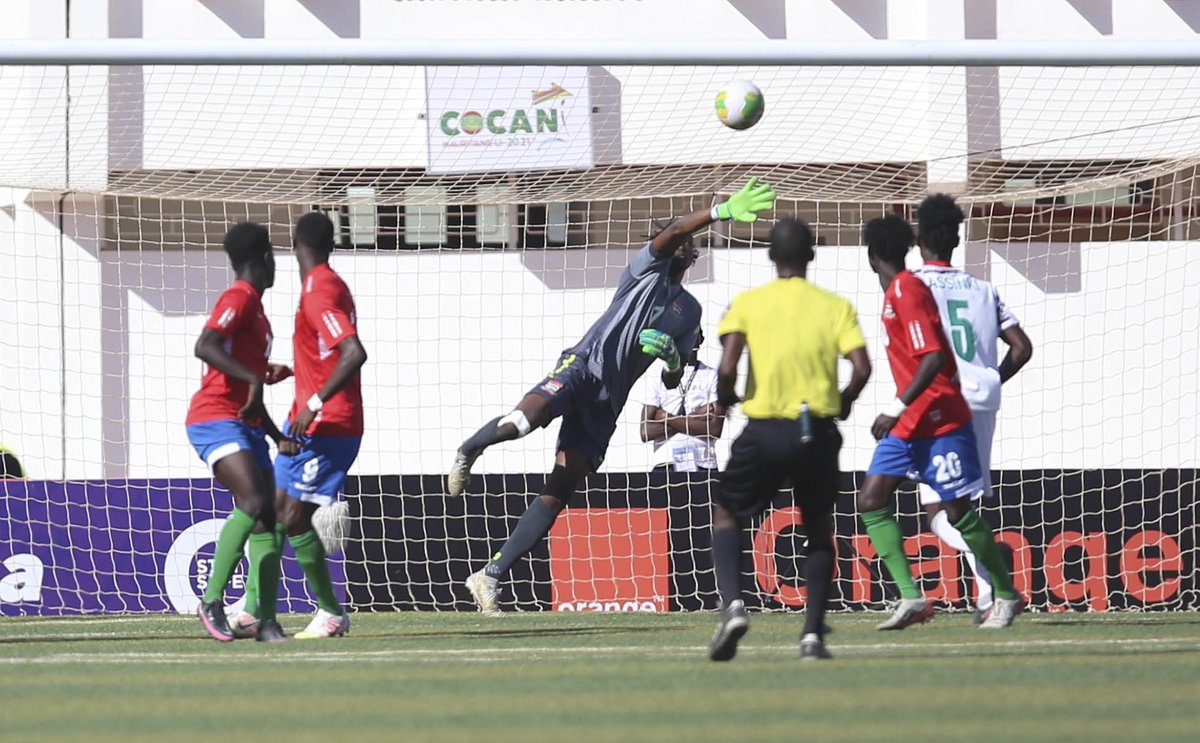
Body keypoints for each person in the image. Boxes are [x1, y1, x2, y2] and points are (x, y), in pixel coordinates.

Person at [448, 178, 777, 617]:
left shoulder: (690, 310)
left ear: (695, 255)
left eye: (687, 243)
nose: (681, 243)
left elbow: (675, 373)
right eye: (676, 239)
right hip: (582, 367)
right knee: (522, 423)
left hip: (608, 401)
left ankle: (489, 576)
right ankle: (469, 449)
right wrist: (720, 212)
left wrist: (673, 361)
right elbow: (676, 229)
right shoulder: (643, 269)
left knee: (559, 490)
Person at [707, 218, 871, 662]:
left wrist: (727, 398)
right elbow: (861, 367)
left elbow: (726, 367)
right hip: (816, 428)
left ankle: (734, 607)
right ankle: (812, 635)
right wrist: (845, 402)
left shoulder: (748, 303)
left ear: (770, 257)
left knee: (727, 511)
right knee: (818, 528)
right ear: (811, 256)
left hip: (765, 429)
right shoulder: (834, 306)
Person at [859, 213, 1023, 631]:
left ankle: (1003, 593)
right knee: (872, 499)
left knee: (957, 511)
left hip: (939, 417)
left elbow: (932, 356)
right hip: (919, 418)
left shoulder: (908, 289)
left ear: (873, 256)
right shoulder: (930, 287)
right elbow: (1020, 347)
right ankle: (912, 598)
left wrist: (894, 407)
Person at [911, 194, 1034, 623]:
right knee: (962, 503)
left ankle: (985, 552)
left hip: (940, 401)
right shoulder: (984, 290)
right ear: (957, 237)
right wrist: (991, 378)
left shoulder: (913, 286)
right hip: (982, 400)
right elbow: (1022, 348)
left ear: (919, 237)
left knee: (939, 513)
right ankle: (988, 599)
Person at [184, 222, 294, 643]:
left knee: (269, 518)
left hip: (244, 423)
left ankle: (266, 621)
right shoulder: (239, 298)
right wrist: (255, 376)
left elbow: (249, 390)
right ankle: (212, 600)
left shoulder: (259, 313)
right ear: (265, 257)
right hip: (214, 418)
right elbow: (205, 345)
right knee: (251, 500)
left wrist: (273, 433)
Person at [270, 211, 368, 639]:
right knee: (271, 512)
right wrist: (295, 371)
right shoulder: (325, 285)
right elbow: (328, 353)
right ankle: (254, 608)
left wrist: (312, 401)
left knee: (292, 517)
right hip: (308, 419)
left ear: (295, 242)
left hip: (329, 425)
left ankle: (330, 612)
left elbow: (353, 353)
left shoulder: (319, 289)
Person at [639, 329, 724, 474]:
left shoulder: (712, 375)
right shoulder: (657, 375)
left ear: (701, 339)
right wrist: (698, 415)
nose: (688, 339)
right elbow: (646, 432)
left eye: (693, 333)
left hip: (704, 464)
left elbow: (715, 429)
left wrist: (665, 417)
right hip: (665, 463)